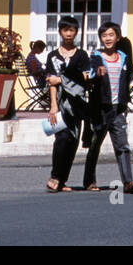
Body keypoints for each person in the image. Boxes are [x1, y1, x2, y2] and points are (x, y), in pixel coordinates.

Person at [82, 22, 133, 194]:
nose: (108, 39)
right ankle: (89, 180)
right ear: (100, 38)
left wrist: (126, 104)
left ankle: (128, 182)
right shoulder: (96, 56)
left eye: (111, 35)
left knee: (123, 146)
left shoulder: (123, 57)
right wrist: (96, 73)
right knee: (95, 146)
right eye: (104, 36)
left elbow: (126, 80)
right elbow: (91, 75)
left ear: (117, 37)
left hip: (118, 109)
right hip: (100, 109)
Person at [44, 17, 92, 193]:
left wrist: (61, 79)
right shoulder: (53, 56)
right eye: (65, 30)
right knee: (62, 138)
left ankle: (62, 181)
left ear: (76, 33)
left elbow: (86, 77)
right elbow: (51, 82)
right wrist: (53, 106)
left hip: (77, 104)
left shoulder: (82, 55)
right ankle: (55, 176)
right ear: (60, 32)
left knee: (72, 141)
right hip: (61, 105)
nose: (69, 34)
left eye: (72, 30)